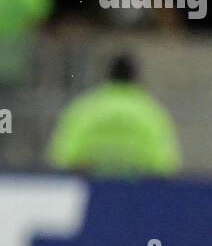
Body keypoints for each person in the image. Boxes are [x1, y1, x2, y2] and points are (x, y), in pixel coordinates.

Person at [47, 53, 181, 177]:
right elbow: (167, 165)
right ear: (135, 78)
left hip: (89, 192)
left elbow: (60, 159)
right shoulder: (151, 113)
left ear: (107, 76)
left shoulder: (84, 109)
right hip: (138, 195)